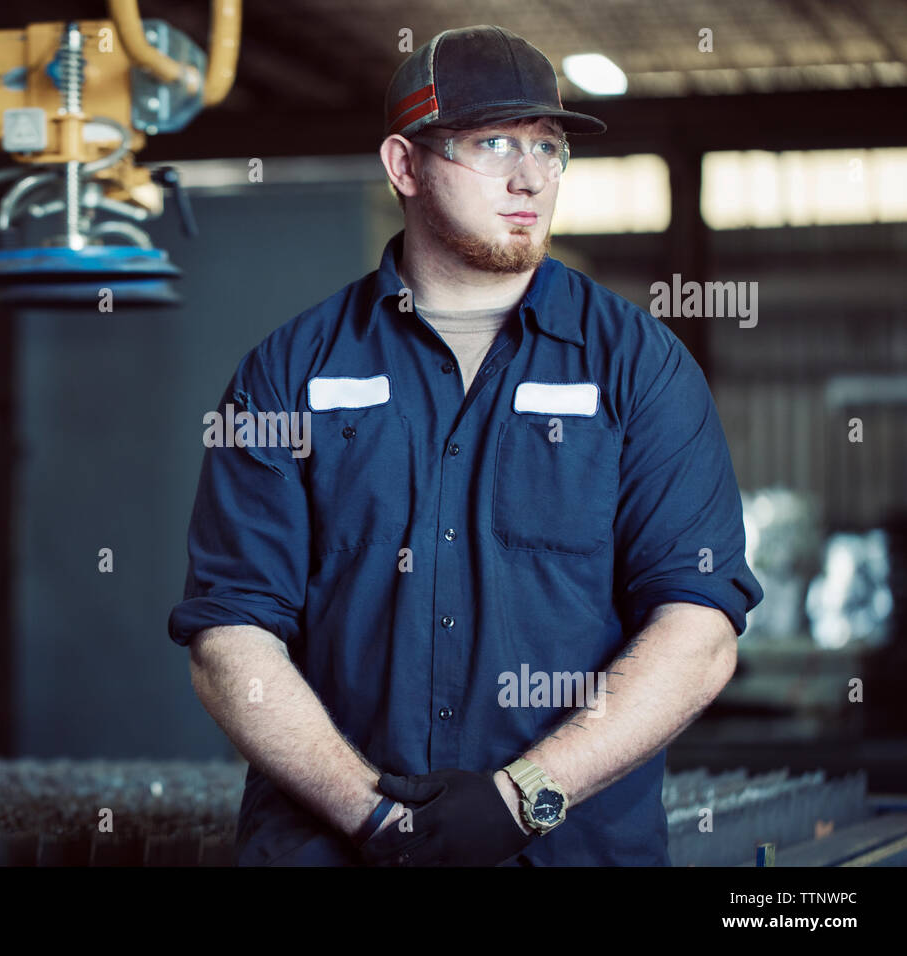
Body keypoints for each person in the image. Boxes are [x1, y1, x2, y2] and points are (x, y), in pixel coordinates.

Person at [167, 24, 763, 866]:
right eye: (493, 143)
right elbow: (229, 636)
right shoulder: (290, 372)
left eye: (549, 148)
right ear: (404, 166)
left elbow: (700, 631)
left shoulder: (640, 367)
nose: (530, 177)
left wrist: (525, 798)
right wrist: (372, 819)